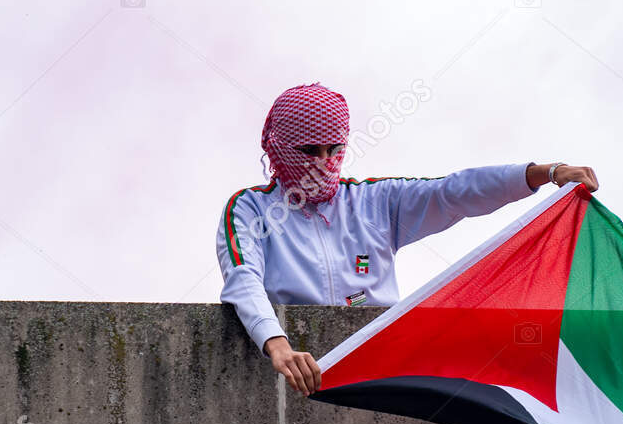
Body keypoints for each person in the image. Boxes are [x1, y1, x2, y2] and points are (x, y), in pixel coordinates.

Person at [216, 83, 599, 396]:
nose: (323, 161)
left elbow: (453, 192)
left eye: (334, 149)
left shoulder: (374, 201)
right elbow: (243, 278)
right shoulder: (251, 209)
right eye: (308, 151)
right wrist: (277, 343)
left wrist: (544, 173)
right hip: (295, 371)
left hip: (378, 371)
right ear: (278, 146)